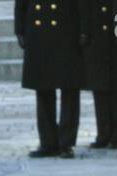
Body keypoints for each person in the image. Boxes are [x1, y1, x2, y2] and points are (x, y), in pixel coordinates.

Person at [15, 0, 83, 157]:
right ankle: (48, 142)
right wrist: (19, 30)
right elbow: (21, 3)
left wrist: (85, 30)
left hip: (67, 31)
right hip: (39, 34)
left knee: (70, 89)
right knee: (43, 88)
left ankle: (66, 143)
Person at [81, 0, 117, 148]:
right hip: (96, 36)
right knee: (100, 86)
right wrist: (84, 32)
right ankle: (103, 133)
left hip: (115, 38)